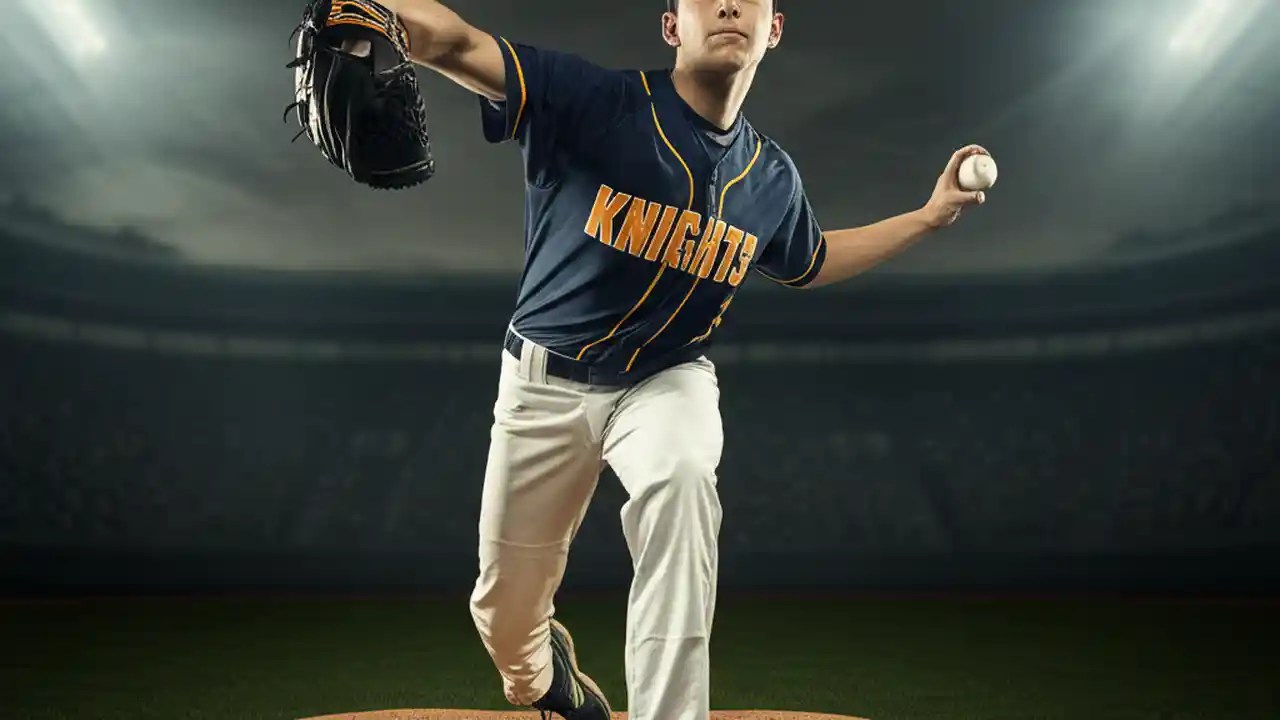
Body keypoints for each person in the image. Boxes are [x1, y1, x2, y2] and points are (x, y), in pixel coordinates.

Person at [376, 0, 988, 717]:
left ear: (774, 28)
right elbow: (456, 43)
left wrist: (927, 216)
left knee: (685, 475)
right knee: (504, 614)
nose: (728, 4)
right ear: (673, 27)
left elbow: (813, 257)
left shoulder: (770, 179)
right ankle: (540, 680)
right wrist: (369, 10)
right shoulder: (595, 102)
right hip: (543, 383)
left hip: (666, 381)